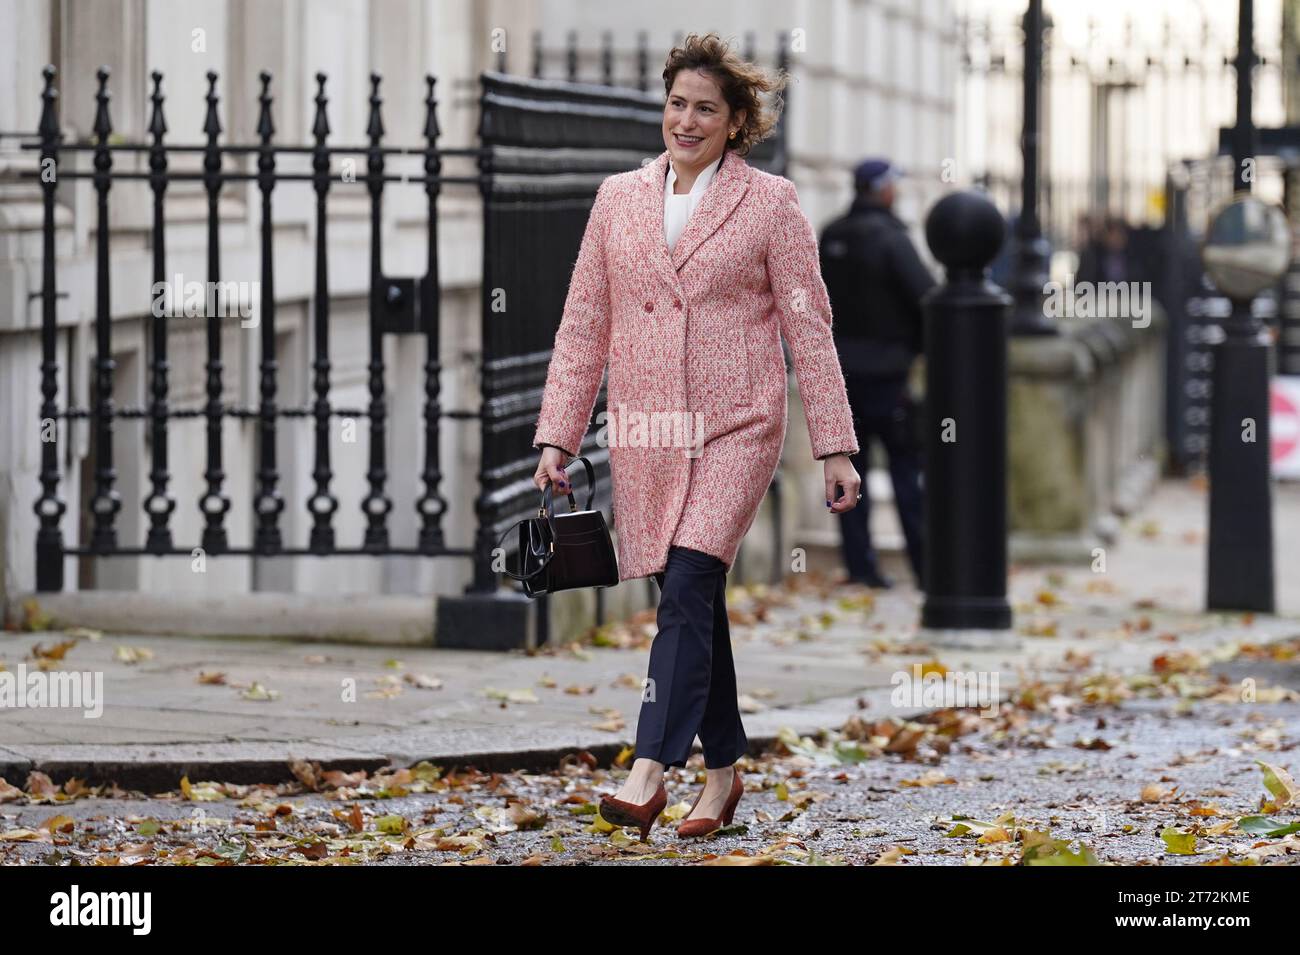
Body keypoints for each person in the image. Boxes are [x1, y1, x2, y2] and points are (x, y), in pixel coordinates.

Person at [530, 33, 861, 841]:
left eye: (705, 108)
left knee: (685, 584)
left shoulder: (771, 203)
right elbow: (583, 324)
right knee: (693, 600)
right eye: (677, 103)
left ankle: (649, 767)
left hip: (737, 425)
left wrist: (835, 444)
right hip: (647, 428)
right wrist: (558, 437)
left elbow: (808, 328)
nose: (686, 119)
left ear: (734, 120)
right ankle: (723, 774)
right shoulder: (617, 198)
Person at [818, 158, 933, 589]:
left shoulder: (832, 235)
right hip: (888, 378)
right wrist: (915, 351)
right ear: (882, 189)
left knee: (848, 474)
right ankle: (925, 566)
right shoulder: (892, 239)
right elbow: (925, 298)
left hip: (843, 378)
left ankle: (861, 567)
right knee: (906, 471)